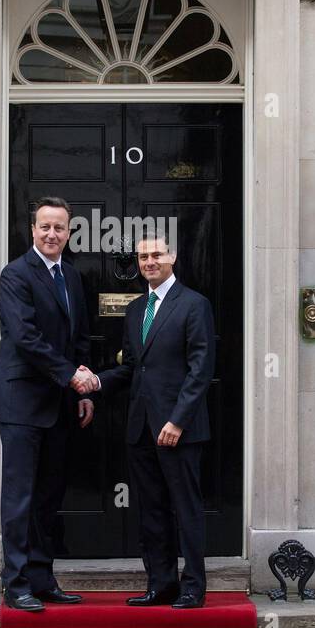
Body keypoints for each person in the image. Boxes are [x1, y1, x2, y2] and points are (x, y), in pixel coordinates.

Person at [83, 233, 215, 609]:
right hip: (141, 427)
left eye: (156, 254)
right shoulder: (137, 309)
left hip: (179, 429)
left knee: (186, 509)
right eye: (143, 256)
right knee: (152, 509)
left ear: (172, 256)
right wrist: (96, 381)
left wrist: (178, 421)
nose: (149, 261)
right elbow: (132, 368)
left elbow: (200, 370)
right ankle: (161, 584)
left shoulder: (194, 305)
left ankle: (193, 587)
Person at [0, 197, 98, 612]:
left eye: (60, 228)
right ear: (32, 230)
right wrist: (69, 374)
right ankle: (15, 584)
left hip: (61, 402)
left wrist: (79, 389)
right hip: (20, 402)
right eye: (45, 227)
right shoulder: (15, 274)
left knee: (49, 495)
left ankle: (43, 578)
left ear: (69, 232)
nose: (52, 234)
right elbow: (25, 337)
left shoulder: (72, 275)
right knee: (20, 496)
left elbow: (81, 336)